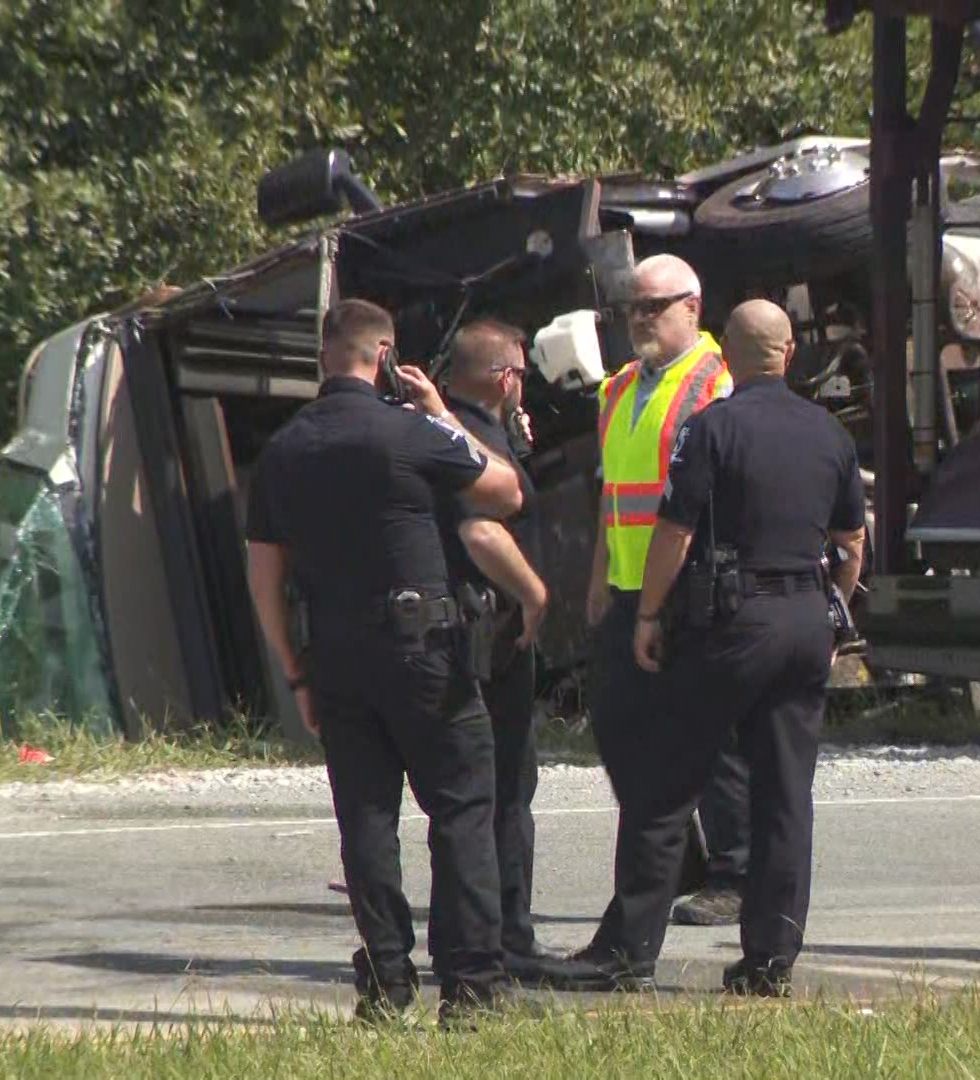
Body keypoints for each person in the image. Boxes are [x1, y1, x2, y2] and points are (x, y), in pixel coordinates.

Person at [243, 298, 527, 1024]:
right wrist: (440, 410)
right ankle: (472, 986)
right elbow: (506, 491)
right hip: (424, 647)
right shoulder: (412, 431)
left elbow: (264, 577)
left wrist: (295, 670)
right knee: (461, 807)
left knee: (367, 819)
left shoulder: (283, 451)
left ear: (323, 359)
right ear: (385, 358)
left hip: (336, 657)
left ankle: (388, 981)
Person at [582, 297, 867, 995]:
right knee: (785, 795)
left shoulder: (712, 427)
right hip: (804, 618)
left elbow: (675, 534)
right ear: (789, 353)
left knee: (666, 783)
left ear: (730, 356)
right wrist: (833, 614)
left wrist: (649, 614)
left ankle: (627, 953)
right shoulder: (830, 433)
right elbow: (852, 543)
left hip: (731, 622)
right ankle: (770, 960)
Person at [573, 254, 748, 985]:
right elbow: (613, 490)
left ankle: (734, 872)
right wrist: (599, 577)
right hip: (626, 584)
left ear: (692, 307)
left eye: (654, 306)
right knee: (622, 736)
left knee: (711, 741)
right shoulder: (618, 388)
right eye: (631, 308)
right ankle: (680, 862)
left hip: (686, 589)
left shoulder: (715, 383)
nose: (640, 319)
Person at [431, 317, 600, 986]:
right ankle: (509, 939)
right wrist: (533, 594)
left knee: (471, 792)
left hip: (461, 632)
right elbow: (481, 527)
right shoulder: (469, 438)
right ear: (506, 378)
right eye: (522, 375)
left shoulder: (446, 430)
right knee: (504, 792)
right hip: (494, 634)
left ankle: (472, 935)